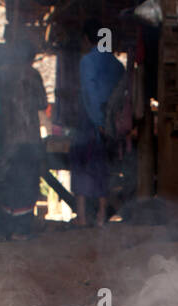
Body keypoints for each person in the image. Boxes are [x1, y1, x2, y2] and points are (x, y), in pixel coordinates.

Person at [0, 41, 48, 239]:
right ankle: (21, 229)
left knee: (10, 183)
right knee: (27, 183)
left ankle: (6, 228)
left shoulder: (4, 76)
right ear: (31, 58)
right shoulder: (33, 75)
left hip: (9, 139)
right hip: (30, 138)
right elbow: (42, 103)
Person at [70, 17, 125, 227]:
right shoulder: (117, 66)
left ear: (86, 38)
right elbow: (121, 96)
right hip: (111, 123)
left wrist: (98, 121)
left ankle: (82, 217)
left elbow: (89, 92)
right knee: (103, 167)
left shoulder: (87, 61)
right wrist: (109, 123)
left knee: (82, 164)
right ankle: (102, 215)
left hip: (91, 121)